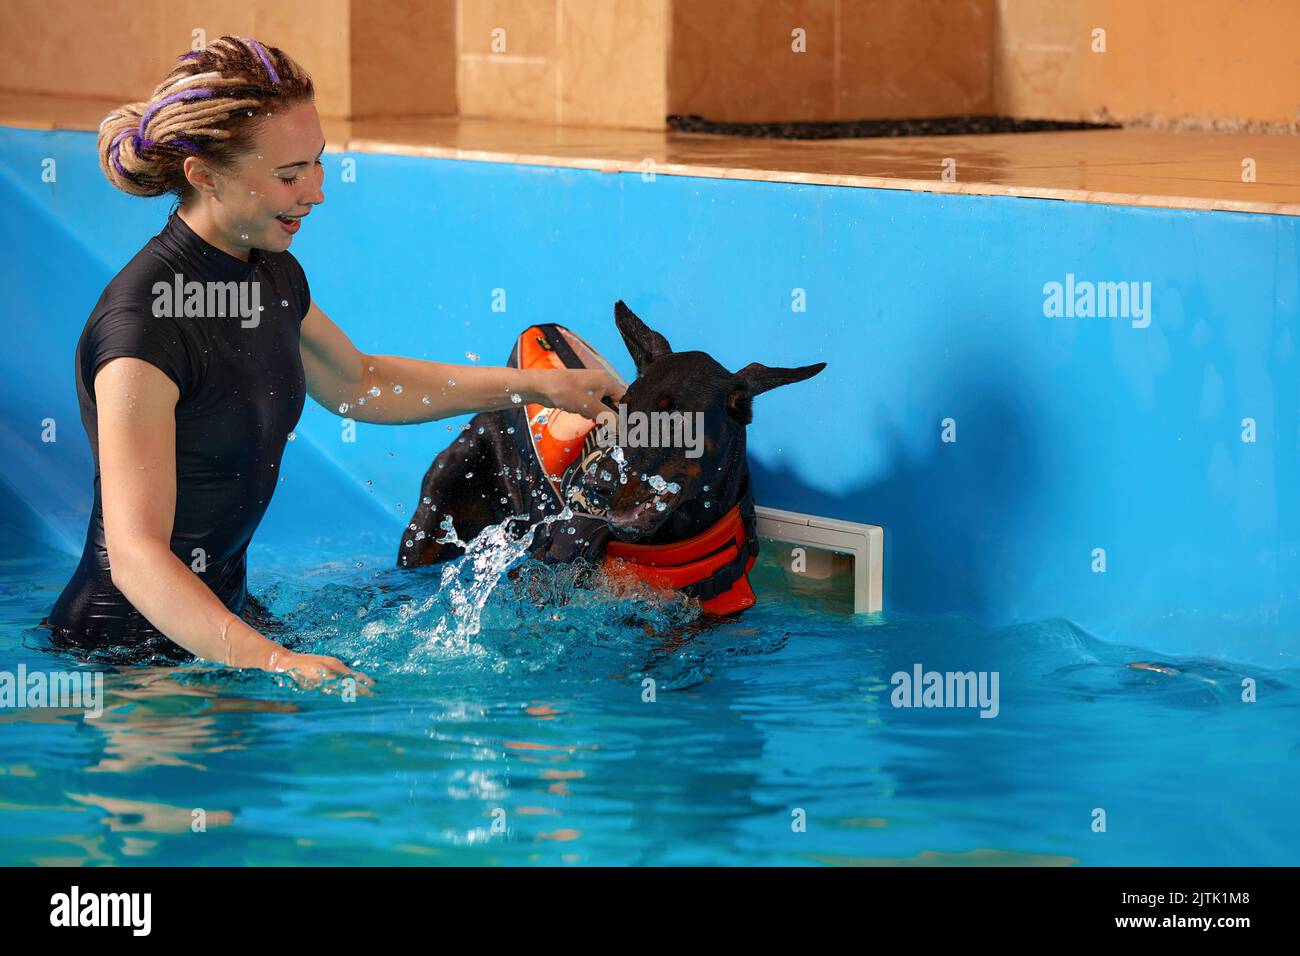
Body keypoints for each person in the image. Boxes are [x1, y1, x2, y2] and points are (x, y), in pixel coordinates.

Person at [42, 37, 624, 686]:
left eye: (317, 164)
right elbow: (137, 556)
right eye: (290, 175)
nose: (316, 192)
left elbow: (359, 382)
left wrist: (540, 387)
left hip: (228, 627)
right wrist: (274, 661)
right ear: (203, 175)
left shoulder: (270, 273)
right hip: (128, 659)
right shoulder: (142, 330)